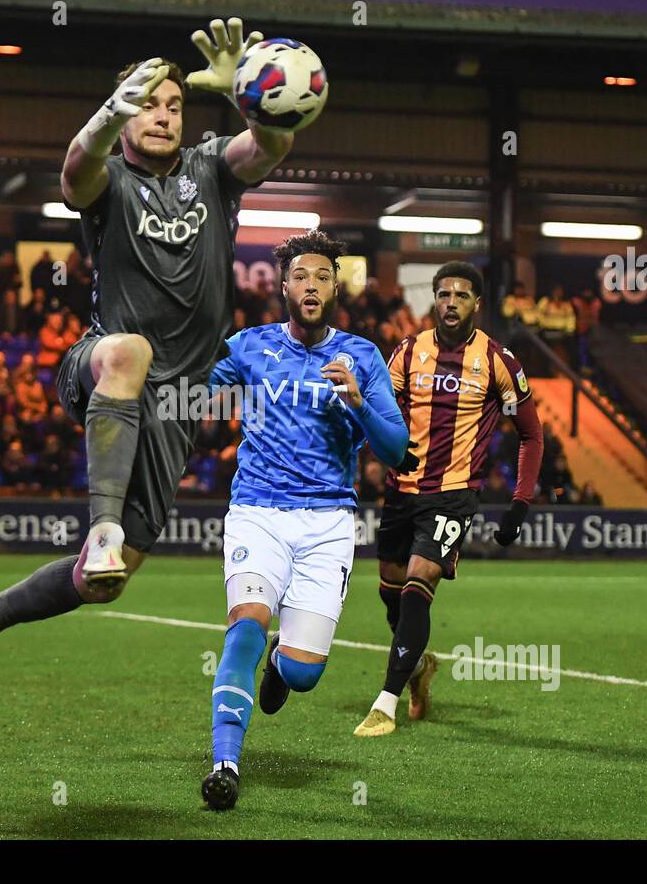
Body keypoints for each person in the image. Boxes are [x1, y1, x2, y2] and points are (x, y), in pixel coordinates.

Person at [0, 18, 297, 705]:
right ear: (123, 112)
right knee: (131, 350)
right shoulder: (111, 181)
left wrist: (252, 95)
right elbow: (75, 168)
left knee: (106, 579)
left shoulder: (211, 168)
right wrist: (108, 113)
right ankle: (100, 523)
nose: (162, 115)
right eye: (145, 103)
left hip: (176, 404)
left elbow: (271, 147)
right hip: (102, 367)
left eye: (173, 104)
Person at [199, 231, 408, 810]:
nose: (311, 286)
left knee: (302, 673)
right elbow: (192, 387)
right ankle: (225, 763)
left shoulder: (362, 356)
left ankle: (280, 663)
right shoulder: (248, 347)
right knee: (244, 626)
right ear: (283, 287)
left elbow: (396, 452)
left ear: (335, 286)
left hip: (329, 524)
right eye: (300, 277)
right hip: (257, 513)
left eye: (321, 276)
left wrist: (360, 405)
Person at [355, 262, 544, 737]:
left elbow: (532, 436)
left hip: (453, 496)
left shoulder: (498, 361)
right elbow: (378, 413)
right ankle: (418, 667)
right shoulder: (407, 352)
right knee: (392, 595)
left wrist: (519, 503)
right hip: (401, 493)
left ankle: (386, 702)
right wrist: (371, 458)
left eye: (462, 295)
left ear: (477, 304)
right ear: (434, 300)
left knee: (420, 585)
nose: (451, 303)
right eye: (444, 294)